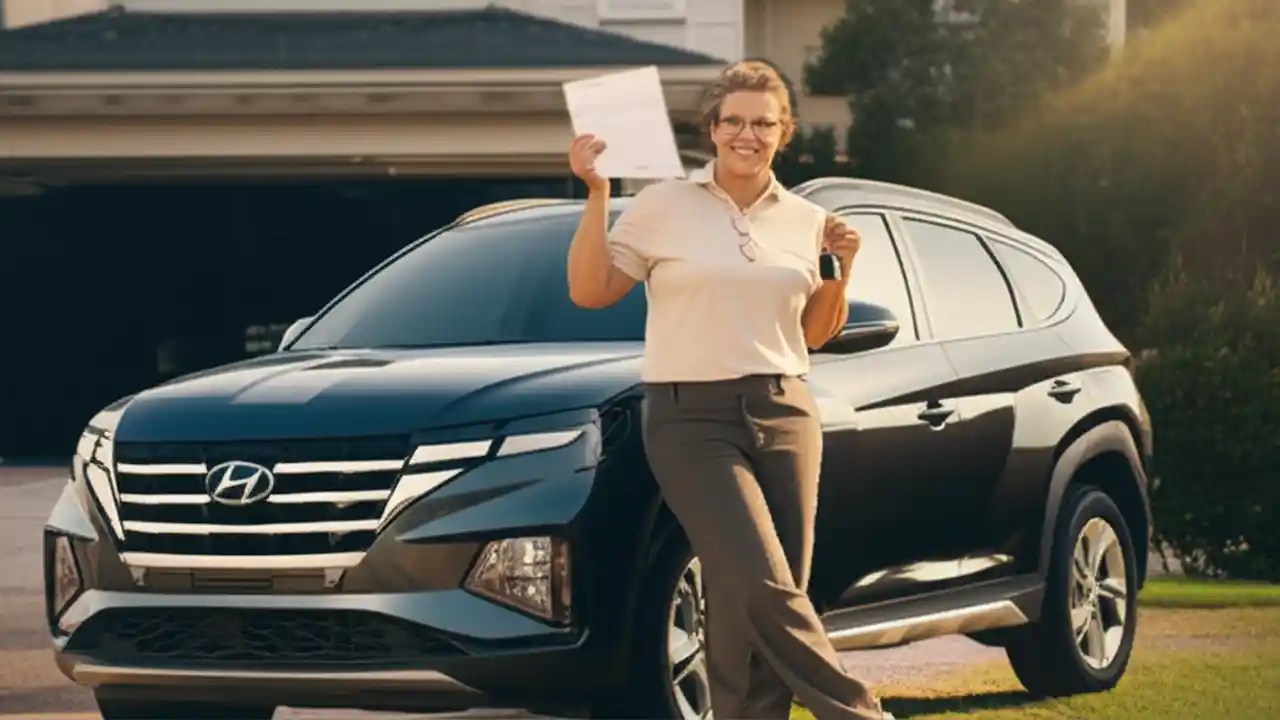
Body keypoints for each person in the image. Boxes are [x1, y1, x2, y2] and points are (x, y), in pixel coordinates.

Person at [565, 60, 894, 720]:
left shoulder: (807, 221)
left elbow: (816, 333)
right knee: (766, 585)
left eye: (763, 123)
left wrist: (842, 269)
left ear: (785, 132)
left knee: (758, 599)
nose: (748, 134)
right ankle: (860, 713)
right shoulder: (662, 204)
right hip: (691, 419)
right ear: (711, 130)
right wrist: (597, 193)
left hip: (786, 411)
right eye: (735, 121)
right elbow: (590, 291)